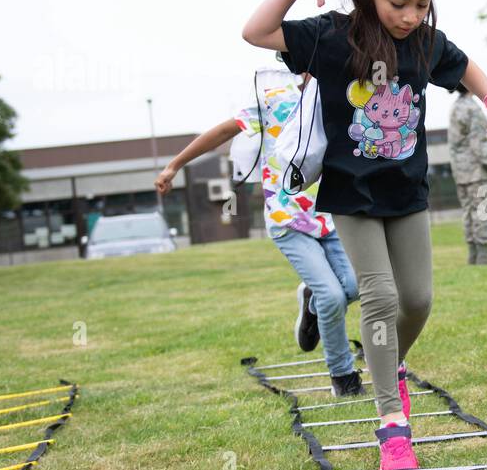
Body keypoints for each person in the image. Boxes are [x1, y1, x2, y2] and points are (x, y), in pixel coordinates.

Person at [242, 0, 487, 470]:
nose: (412, 15)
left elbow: (465, 68)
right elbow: (256, 32)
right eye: (399, 3)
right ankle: (393, 424)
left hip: (408, 192)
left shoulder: (423, 43)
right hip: (351, 193)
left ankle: (386, 364)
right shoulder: (331, 37)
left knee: (417, 300)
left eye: (422, 4)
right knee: (380, 297)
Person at [154, 84, 364, 397]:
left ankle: (312, 302)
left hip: (330, 214)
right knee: (332, 296)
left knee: (356, 286)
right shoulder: (272, 96)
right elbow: (223, 132)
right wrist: (175, 165)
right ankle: (343, 377)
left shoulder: (332, 87)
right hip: (287, 218)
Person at [447, 83, 487, 264]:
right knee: (483, 210)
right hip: (476, 170)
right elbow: (479, 143)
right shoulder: (472, 109)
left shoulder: (455, 108)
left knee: (469, 211)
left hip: (460, 171)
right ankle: (483, 255)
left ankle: (473, 254)